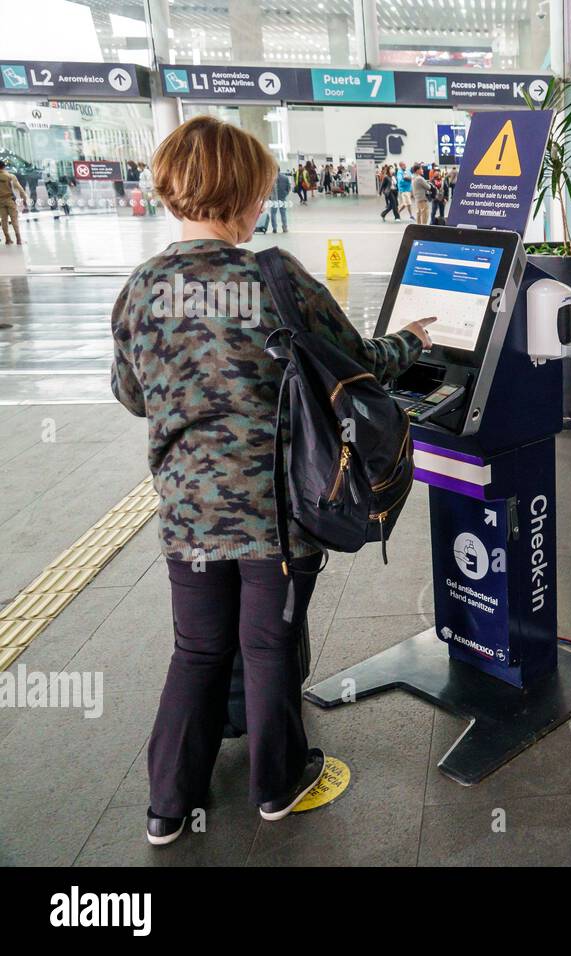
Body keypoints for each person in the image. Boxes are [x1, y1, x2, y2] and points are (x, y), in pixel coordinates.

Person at [109, 115, 436, 847]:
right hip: (274, 516)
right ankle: (278, 785)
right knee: (267, 647)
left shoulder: (141, 288)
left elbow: (132, 394)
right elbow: (353, 363)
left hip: (186, 517)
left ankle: (168, 807)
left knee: (196, 650)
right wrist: (410, 342)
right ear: (245, 194)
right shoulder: (271, 278)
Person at [0, 159, 29, 245]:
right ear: (4, 167)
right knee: (14, 220)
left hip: (0, 201)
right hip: (10, 200)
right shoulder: (10, 176)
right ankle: (18, 239)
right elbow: (20, 189)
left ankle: (7, 239)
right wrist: (24, 199)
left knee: (3, 220)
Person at [268, 167, 291, 233]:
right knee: (283, 214)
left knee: (273, 214)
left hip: (274, 199)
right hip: (282, 198)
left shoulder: (271, 179)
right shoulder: (285, 178)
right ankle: (284, 228)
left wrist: (270, 197)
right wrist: (285, 194)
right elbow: (288, 188)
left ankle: (274, 228)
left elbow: (268, 189)